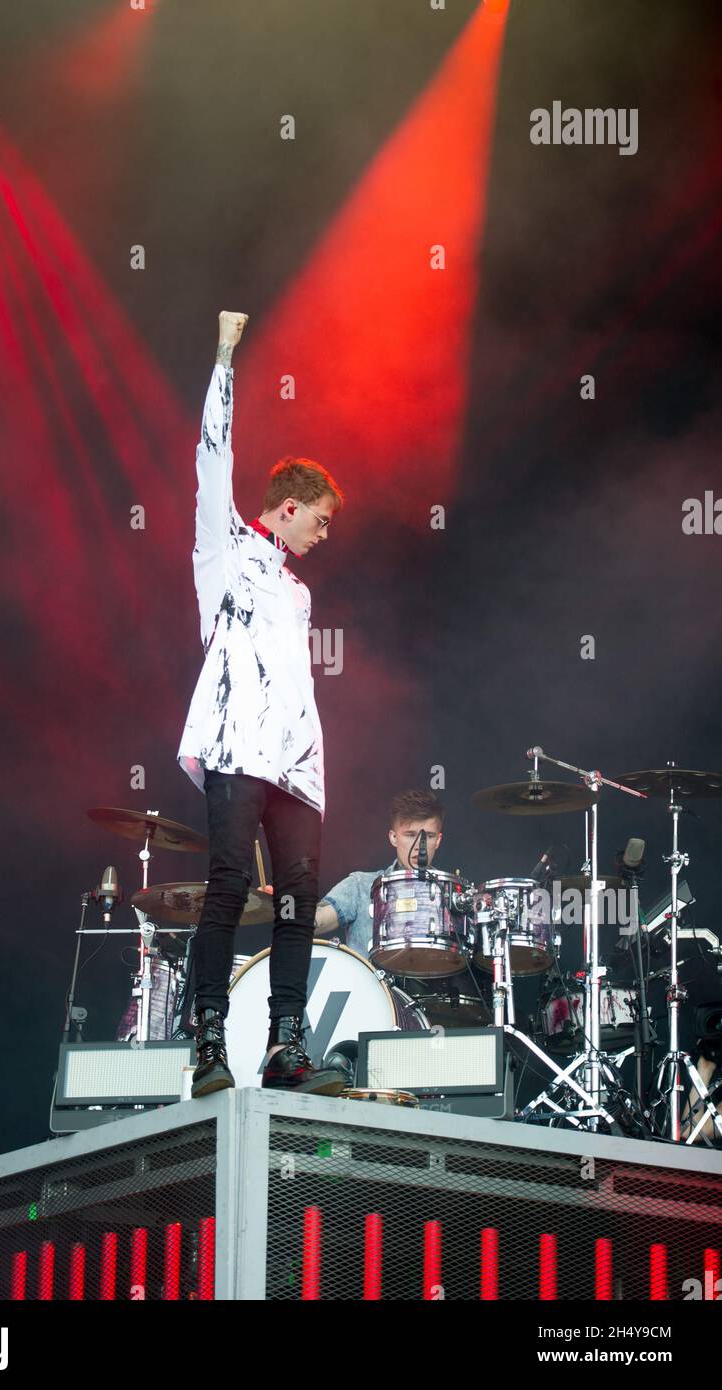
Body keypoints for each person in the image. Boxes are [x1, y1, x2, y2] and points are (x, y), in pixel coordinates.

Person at [177, 310, 347, 1098]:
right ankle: (207, 1040)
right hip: (236, 745)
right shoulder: (225, 552)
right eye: (319, 519)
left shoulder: (299, 590)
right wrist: (224, 358)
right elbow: (215, 459)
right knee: (225, 885)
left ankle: (287, 1045)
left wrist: (309, 757)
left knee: (299, 899)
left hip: (298, 762)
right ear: (289, 505)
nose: (322, 533)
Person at [314, 789, 445, 955]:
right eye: (410, 835)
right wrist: (282, 906)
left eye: (429, 836)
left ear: (438, 840)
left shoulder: (452, 895)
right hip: (367, 981)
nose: (419, 846)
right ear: (393, 837)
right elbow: (314, 923)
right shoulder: (360, 886)